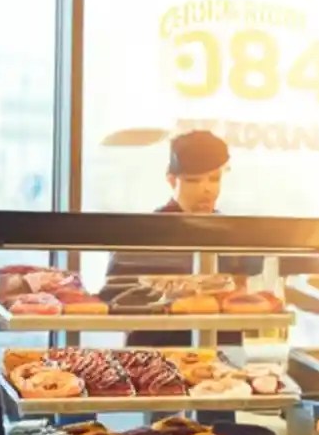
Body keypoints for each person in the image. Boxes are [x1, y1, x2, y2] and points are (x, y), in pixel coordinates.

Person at [105, 130, 247, 348]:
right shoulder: (142, 233)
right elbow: (114, 299)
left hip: (221, 355)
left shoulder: (233, 233)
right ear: (172, 180)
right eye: (193, 181)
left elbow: (242, 298)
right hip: (154, 354)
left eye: (214, 179)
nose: (207, 189)